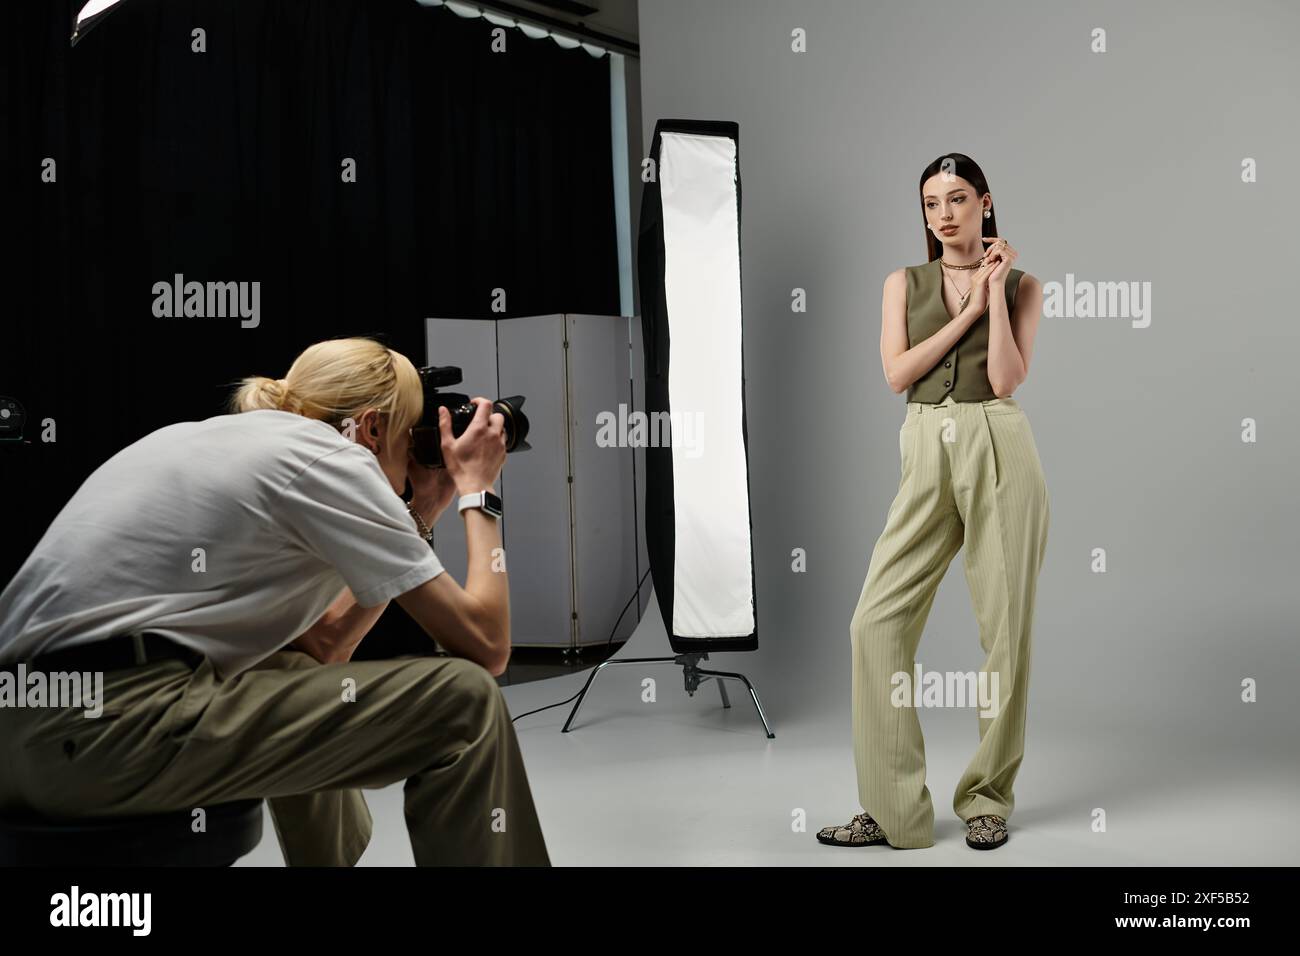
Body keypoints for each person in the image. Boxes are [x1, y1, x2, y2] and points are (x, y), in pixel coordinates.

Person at [0, 336, 550, 866]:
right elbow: (486, 646)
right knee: (466, 701)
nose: (412, 465)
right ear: (376, 429)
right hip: (106, 732)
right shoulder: (334, 457)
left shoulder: (212, 439)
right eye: (412, 441)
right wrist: (478, 490)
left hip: (25, 738)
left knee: (289, 664)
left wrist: (421, 510)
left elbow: (325, 646)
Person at [818, 154, 1049, 851]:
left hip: (998, 443)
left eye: (956, 199)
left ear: (985, 203)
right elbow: (897, 374)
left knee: (1004, 629)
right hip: (924, 442)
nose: (943, 214)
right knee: (875, 623)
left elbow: (1007, 380)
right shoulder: (903, 282)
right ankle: (894, 812)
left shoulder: (1028, 285)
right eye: (930, 203)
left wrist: (998, 293)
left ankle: (987, 799)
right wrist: (969, 311)